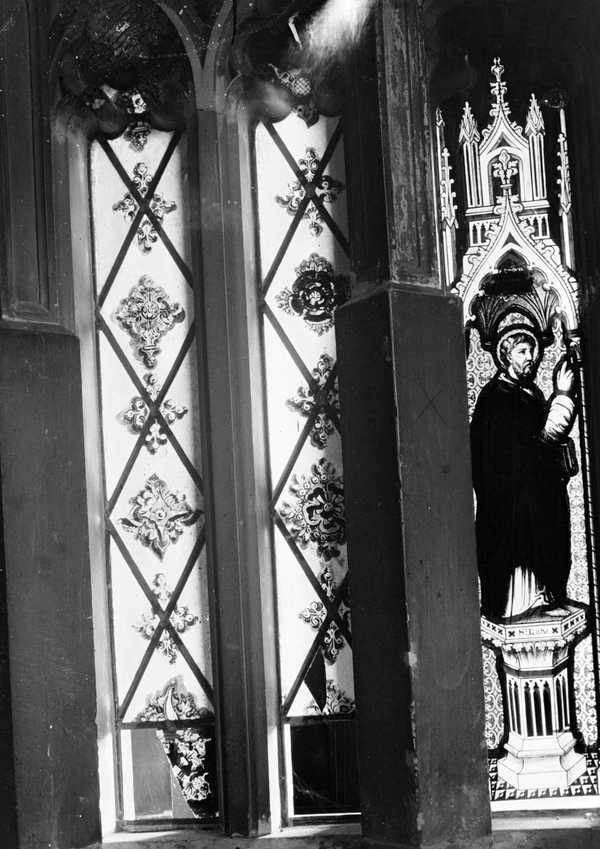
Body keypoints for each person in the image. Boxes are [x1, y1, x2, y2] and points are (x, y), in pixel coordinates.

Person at [470, 325, 577, 621]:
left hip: (534, 494)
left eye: (532, 350)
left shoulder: (528, 392)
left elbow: (539, 446)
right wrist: (563, 396)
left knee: (542, 542)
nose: (530, 357)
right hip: (510, 503)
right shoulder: (496, 397)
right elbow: (537, 442)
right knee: (521, 551)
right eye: (522, 351)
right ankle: (520, 606)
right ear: (505, 356)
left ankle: (547, 596)